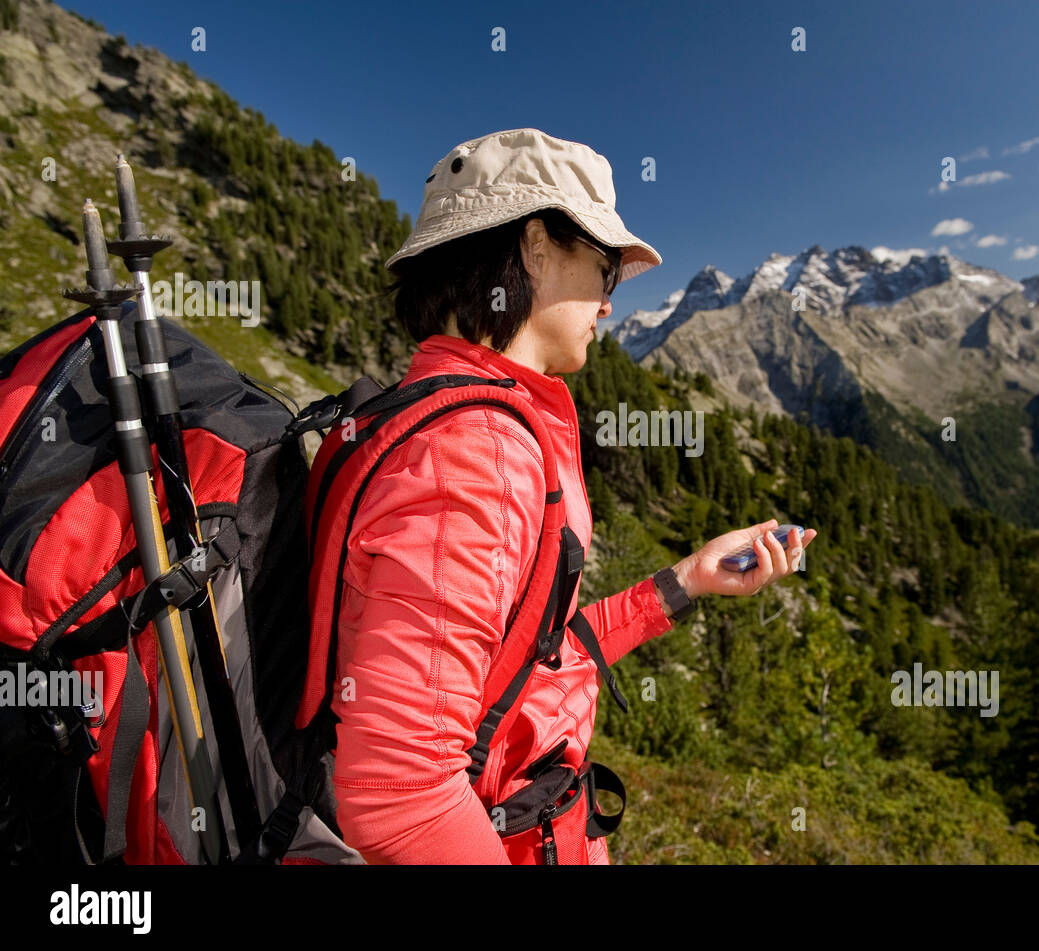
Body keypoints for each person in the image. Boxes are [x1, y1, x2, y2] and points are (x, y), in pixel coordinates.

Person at [329, 127, 817, 864]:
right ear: (534, 248)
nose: (609, 305)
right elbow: (402, 791)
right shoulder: (475, 454)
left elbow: (532, 656)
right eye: (605, 272)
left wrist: (687, 581)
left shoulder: (435, 411)